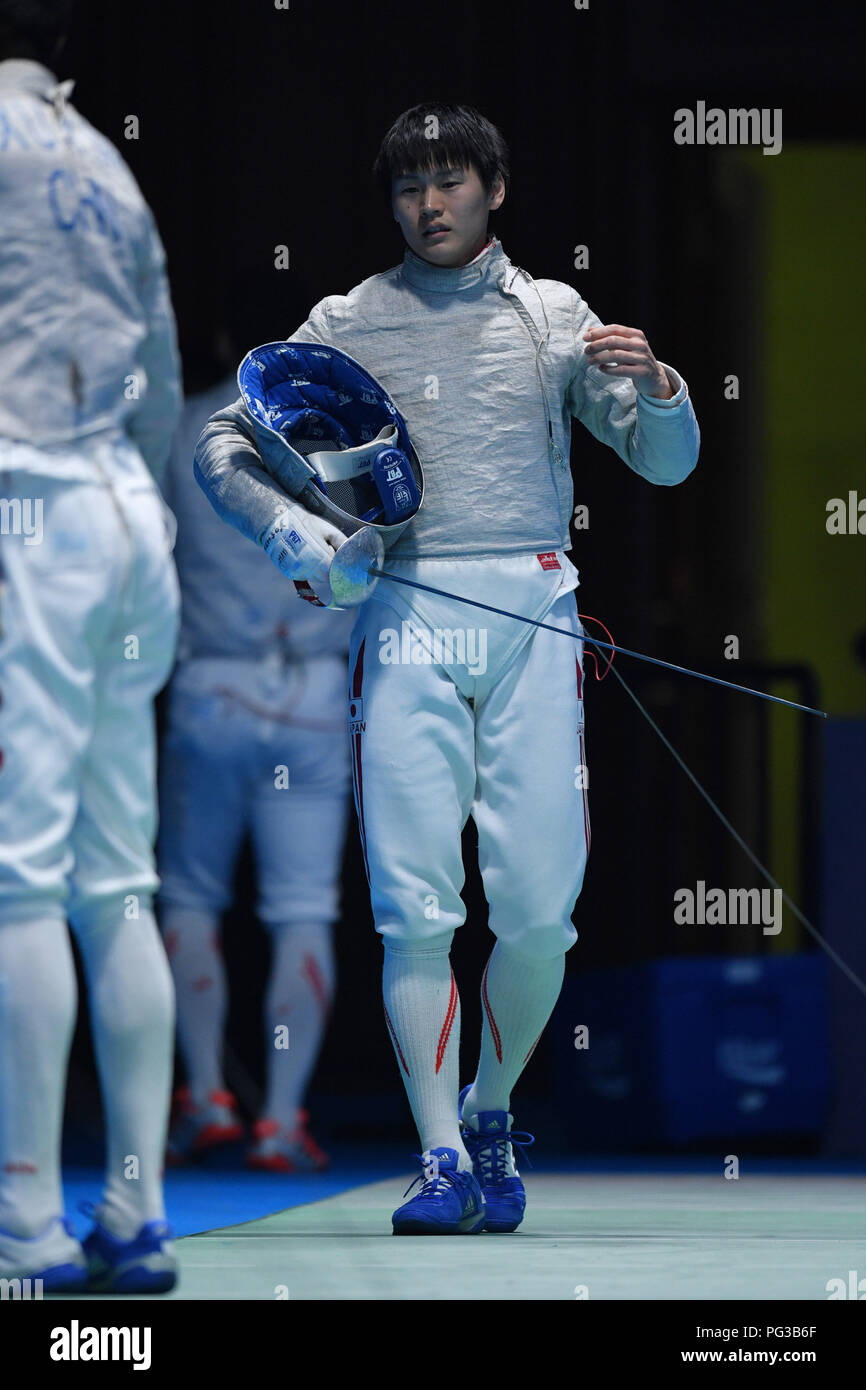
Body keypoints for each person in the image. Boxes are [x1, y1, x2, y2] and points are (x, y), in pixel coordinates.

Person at [194, 102, 700, 1235]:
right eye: (408, 187)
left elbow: (662, 467)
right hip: (409, 615)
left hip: (532, 612)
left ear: (493, 189)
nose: (429, 204)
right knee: (412, 909)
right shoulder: (347, 317)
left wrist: (661, 389)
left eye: (450, 180)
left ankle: (487, 1108)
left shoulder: (549, 315)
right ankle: (434, 1155)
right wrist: (310, 545)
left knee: (537, 915)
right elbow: (219, 446)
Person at [0, 0, 182, 1289]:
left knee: (17, 875)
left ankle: (25, 1220)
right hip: (130, 519)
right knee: (113, 880)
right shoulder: (110, 167)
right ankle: (135, 1210)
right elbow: (163, 378)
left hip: (35, 506)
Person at [158, 363, 355, 1173]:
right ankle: (278, 1120)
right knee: (302, 907)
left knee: (189, 897)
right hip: (312, 696)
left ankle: (206, 1096)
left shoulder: (185, 425)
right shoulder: (351, 428)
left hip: (212, 688)